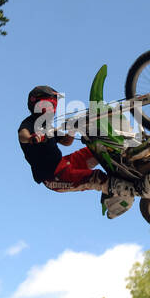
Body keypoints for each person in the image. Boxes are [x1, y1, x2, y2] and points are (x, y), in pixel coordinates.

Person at [19, 85, 134, 216]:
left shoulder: (48, 126)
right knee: (95, 178)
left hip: (64, 163)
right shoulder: (29, 123)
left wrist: (73, 128)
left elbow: (67, 142)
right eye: (50, 105)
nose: (53, 109)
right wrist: (31, 138)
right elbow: (22, 135)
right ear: (37, 104)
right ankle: (115, 199)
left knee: (97, 148)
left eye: (54, 106)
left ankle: (128, 159)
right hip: (54, 177)